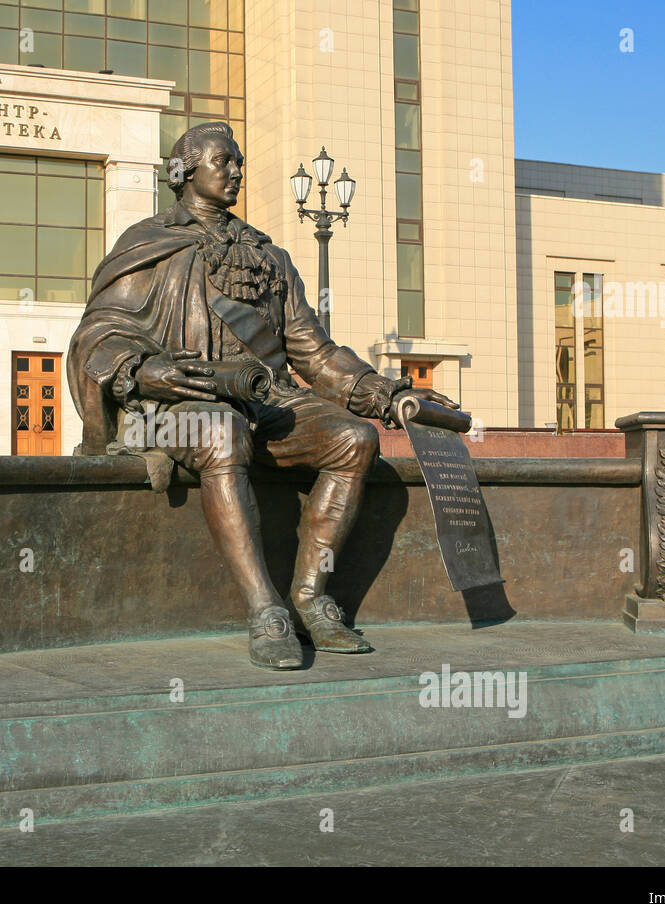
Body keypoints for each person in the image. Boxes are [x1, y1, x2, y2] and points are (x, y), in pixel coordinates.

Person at [68, 121, 457, 669]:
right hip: (176, 402)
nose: (235, 172)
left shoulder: (268, 257)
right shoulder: (150, 243)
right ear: (184, 170)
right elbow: (100, 332)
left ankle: (309, 597)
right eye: (223, 161)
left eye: (238, 162)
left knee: (354, 438)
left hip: (265, 396)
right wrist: (143, 370)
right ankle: (264, 610)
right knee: (221, 432)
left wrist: (385, 394)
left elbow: (314, 355)